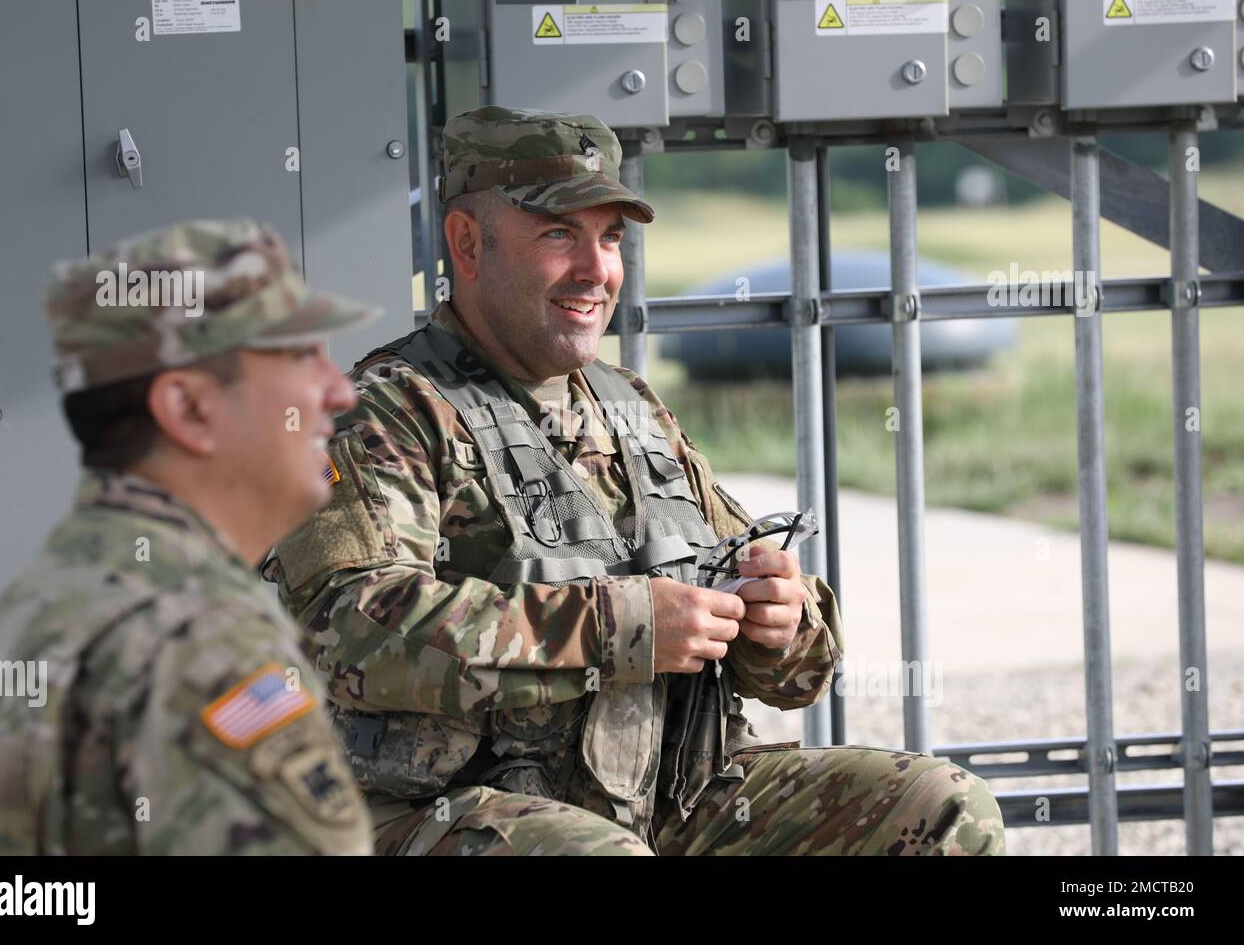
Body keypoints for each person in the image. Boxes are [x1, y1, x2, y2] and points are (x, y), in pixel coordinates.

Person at [266, 106, 1006, 855]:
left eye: (611, 237)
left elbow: (792, 665)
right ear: (468, 243)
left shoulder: (632, 408)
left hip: (670, 799)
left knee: (944, 808)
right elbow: (350, 630)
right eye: (559, 234)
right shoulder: (381, 412)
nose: (597, 270)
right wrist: (622, 626)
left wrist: (779, 623)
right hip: (450, 814)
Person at [0, 219, 378, 855]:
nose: (339, 389)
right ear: (189, 409)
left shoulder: (49, 600)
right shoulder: (203, 644)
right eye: (297, 354)